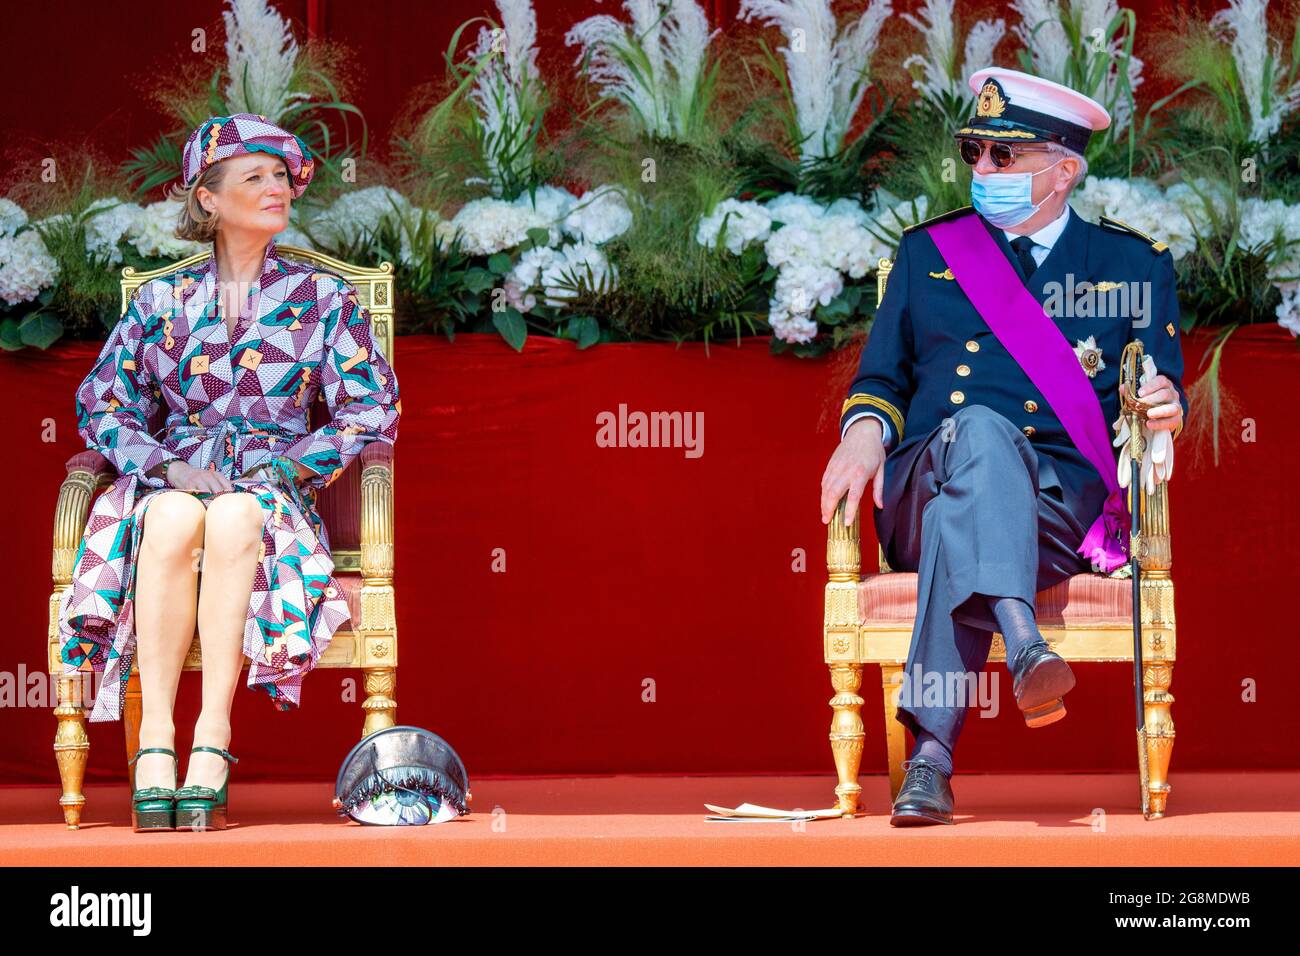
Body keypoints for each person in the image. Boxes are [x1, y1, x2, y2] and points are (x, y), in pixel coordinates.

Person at [818, 68, 1188, 826]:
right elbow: (880, 380)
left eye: (1003, 155)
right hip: (924, 485)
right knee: (980, 433)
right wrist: (861, 436)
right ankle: (1024, 643)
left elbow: (1162, 388)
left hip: (1060, 511)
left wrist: (1164, 407)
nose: (982, 170)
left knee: (978, 497)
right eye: (975, 151)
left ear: (1065, 169)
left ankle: (930, 762)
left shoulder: (1132, 267)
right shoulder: (928, 255)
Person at [56, 113, 401, 831]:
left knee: (239, 512)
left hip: (272, 492)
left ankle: (212, 739)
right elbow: (103, 405)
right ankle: (156, 743)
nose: (277, 187)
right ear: (207, 198)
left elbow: (371, 410)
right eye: (256, 177)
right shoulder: (160, 301)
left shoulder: (324, 299)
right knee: (175, 514)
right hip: (171, 482)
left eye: (283, 176)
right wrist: (171, 466)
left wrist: (284, 467)